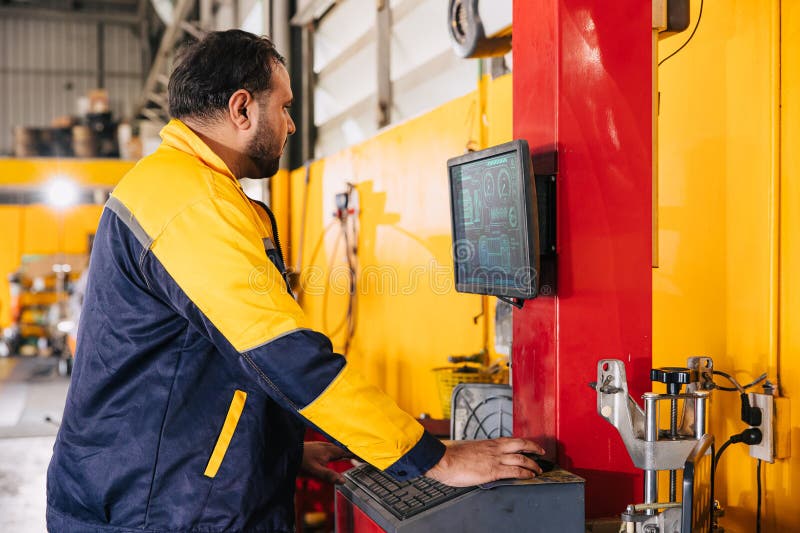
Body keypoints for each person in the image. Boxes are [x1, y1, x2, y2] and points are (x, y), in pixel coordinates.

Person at [46, 29, 544, 533]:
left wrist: (274, 450)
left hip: (161, 487)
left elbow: (201, 363)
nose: (290, 124)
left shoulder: (182, 188)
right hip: (153, 510)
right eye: (283, 107)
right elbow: (283, 354)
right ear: (242, 109)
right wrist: (431, 459)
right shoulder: (192, 204)